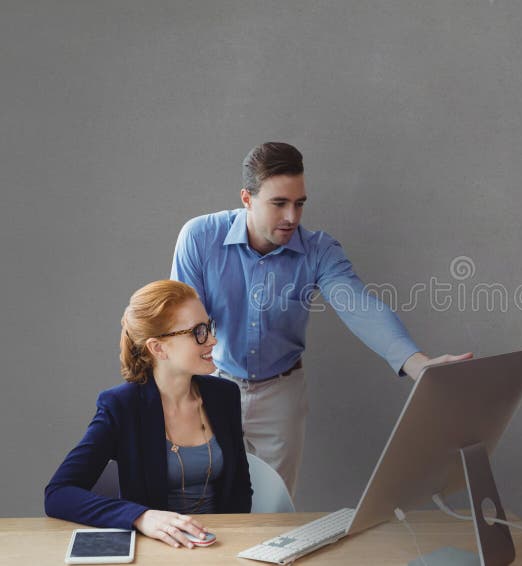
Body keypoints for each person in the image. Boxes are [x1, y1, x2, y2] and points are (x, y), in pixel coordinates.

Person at [171, 141, 472, 496]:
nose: (292, 217)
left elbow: (359, 306)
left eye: (299, 203)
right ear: (247, 199)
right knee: (207, 501)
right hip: (214, 383)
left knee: (275, 505)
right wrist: (178, 395)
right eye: (279, 203)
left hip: (281, 394)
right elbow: (183, 326)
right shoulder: (200, 238)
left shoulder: (319, 251)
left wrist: (416, 362)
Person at [45, 280, 252, 549]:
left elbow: (240, 489)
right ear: (158, 348)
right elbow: (58, 493)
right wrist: (141, 517)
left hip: (221, 543)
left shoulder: (224, 395)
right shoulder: (121, 406)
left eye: (209, 327)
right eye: (198, 332)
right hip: (156, 548)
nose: (212, 340)